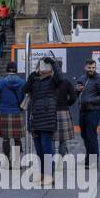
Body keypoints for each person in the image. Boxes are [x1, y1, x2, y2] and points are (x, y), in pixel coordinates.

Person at [22, 57, 61, 186]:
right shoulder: (35, 80)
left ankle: (50, 175)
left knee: (47, 148)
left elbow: (60, 79)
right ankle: (43, 173)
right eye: (41, 66)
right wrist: (33, 74)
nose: (43, 68)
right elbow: (25, 89)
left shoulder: (53, 81)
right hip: (35, 118)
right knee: (39, 149)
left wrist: (53, 64)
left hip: (47, 118)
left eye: (45, 66)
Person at [0, 61, 25, 168]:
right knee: (17, 139)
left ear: (7, 70)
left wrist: (1, 94)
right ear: (16, 70)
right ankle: (17, 162)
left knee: (6, 139)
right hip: (17, 112)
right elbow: (25, 97)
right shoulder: (22, 82)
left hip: (5, 112)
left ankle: (7, 162)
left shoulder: (2, 82)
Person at [74, 58, 100, 172]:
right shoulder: (81, 78)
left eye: (93, 68)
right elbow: (76, 93)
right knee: (84, 136)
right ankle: (88, 158)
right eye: (89, 68)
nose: (91, 70)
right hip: (82, 111)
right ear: (85, 67)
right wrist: (77, 90)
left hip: (94, 111)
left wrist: (89, 101)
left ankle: (93, 161)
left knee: (91, 136)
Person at [54, 66, 78, 158]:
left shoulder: (48, 82)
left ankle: (49, 163)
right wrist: (66, 104)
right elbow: (73, 97)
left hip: (50, 112)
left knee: (50, 139)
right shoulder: (66, 82)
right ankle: (60, 162)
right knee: (62, 140)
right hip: (63, 111)